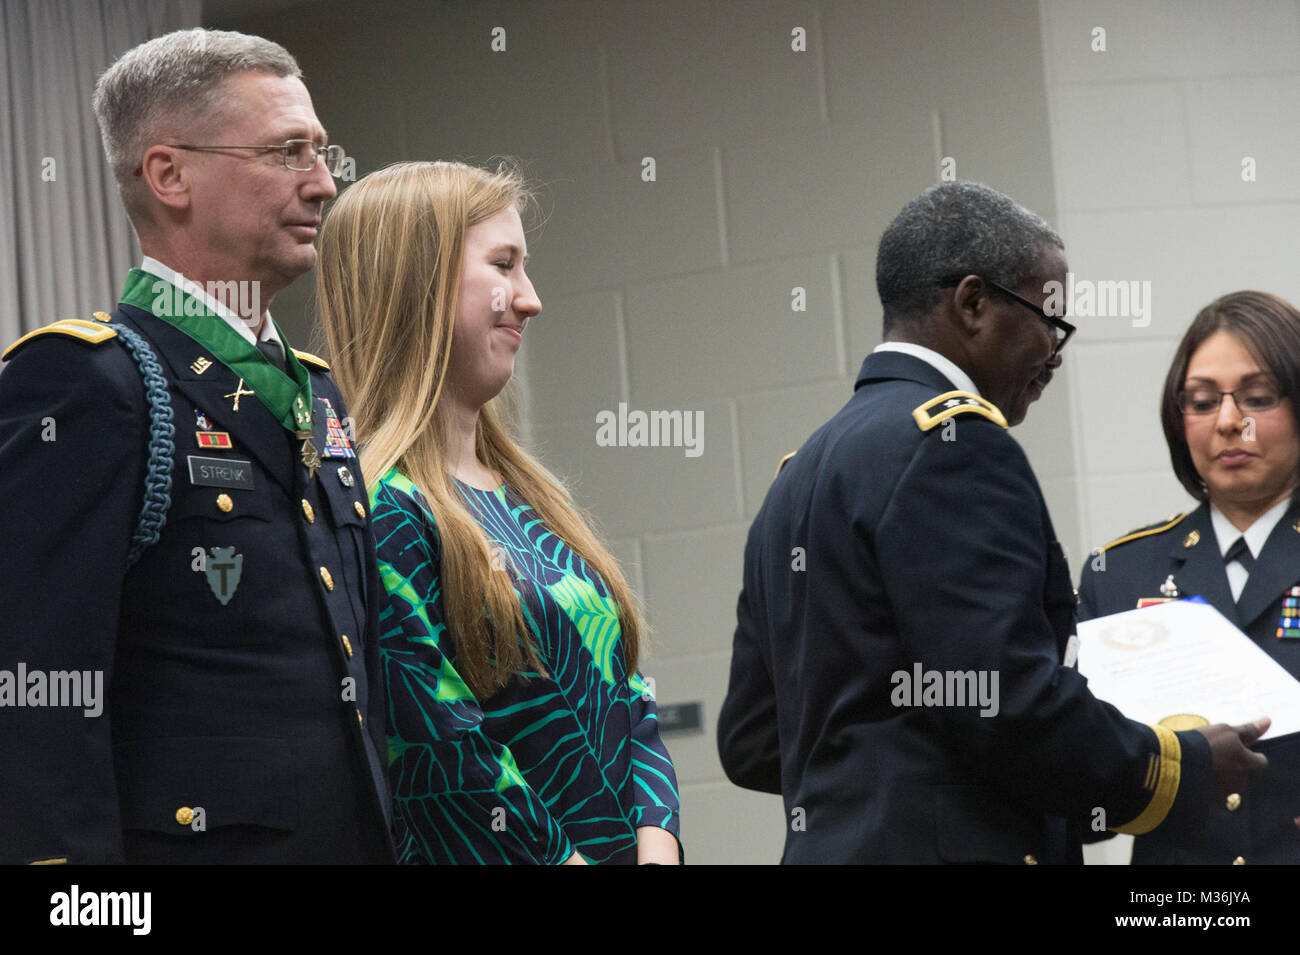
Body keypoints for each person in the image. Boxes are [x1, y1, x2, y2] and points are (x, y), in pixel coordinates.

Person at [717, 181, 1268, 864]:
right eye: (1050, 319)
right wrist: (1178, 764)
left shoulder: (799, 474)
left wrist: (878, 786)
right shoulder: (955, 446)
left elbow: (751, 738)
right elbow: (1007, 703)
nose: (1056, 353)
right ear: (974, 303)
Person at [0, 29, 393, 863]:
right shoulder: (88, 383)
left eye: (323, 153)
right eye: (288, 153)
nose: (324, 184)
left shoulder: (315, 391)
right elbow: (34, 697)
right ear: (169, 174)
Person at [316, 160, 682, 865]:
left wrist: (657, 844)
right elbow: (444, 749)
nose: (532, 298)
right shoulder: (386, 508)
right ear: (417, 285)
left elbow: (627, 694)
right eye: (504, 265)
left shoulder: (537, 496)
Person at [1079, 290, 1300, 865]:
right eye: (1201, 402)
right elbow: (1083, 774)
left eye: (1257, 397)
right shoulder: (1121, 571)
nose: (1229, 422)